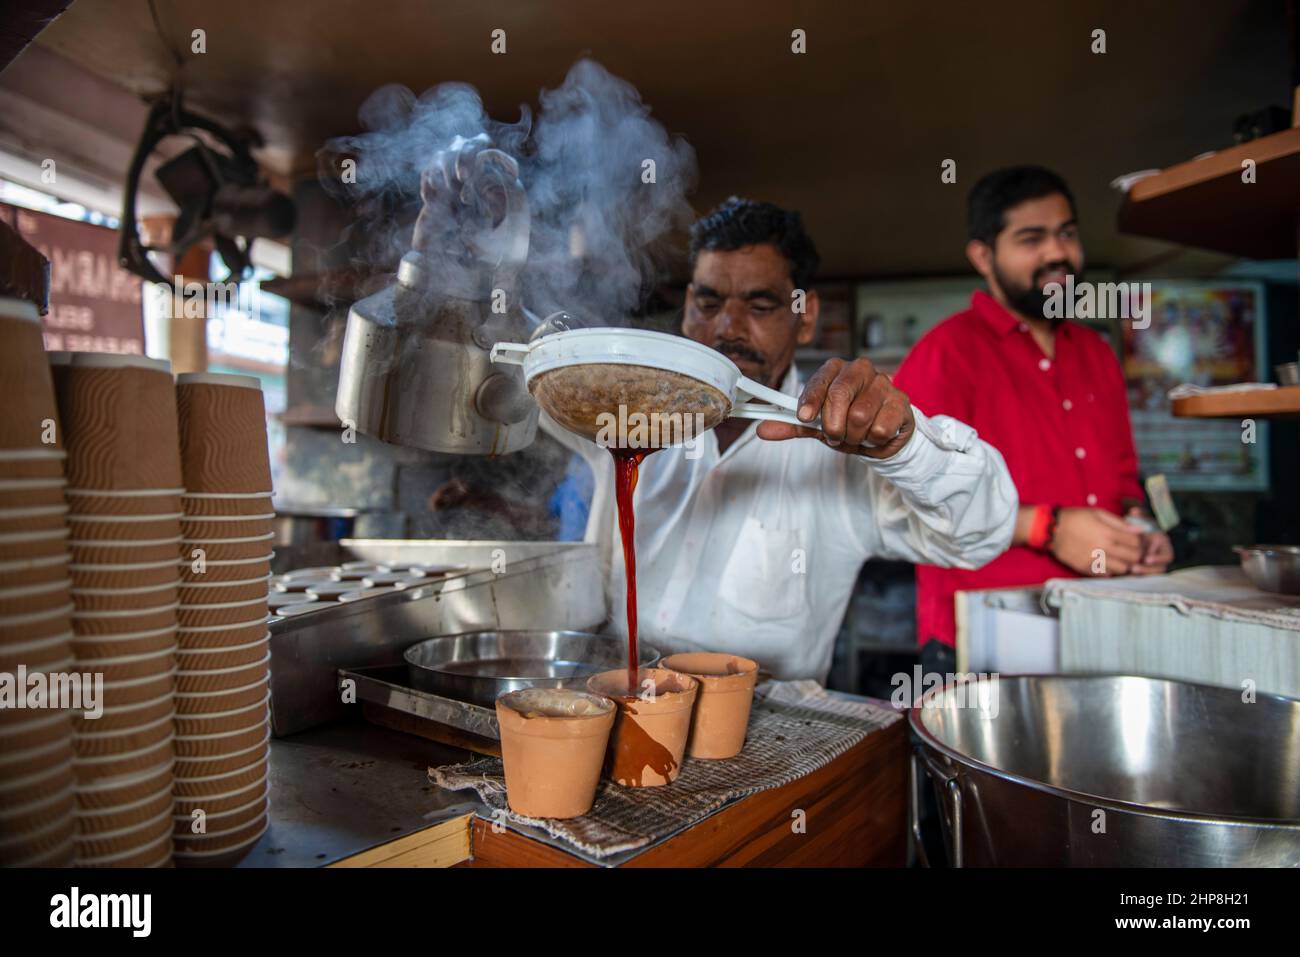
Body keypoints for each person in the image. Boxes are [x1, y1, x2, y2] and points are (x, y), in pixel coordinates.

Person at [540, 197, 1018, 683]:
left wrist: (905, 448)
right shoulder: (625, 415)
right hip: (616, 700)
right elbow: (515, 377)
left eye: (760, 305)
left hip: (771, 740)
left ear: (805, 315)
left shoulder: (840, 450)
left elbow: (983, 533)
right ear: (687, 309)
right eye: (708, 303)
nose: (727, 327)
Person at [892, 166, 1174, 676]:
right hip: (982, 635)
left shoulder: (1097, 353)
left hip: (1101, 623)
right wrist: (1045, 527)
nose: (1057, 254)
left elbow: (1123, 475)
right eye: (1031, 238)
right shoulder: (943, 356)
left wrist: (1140, 528)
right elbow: (905, 507)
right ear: (983, 256)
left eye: (1067, 233)